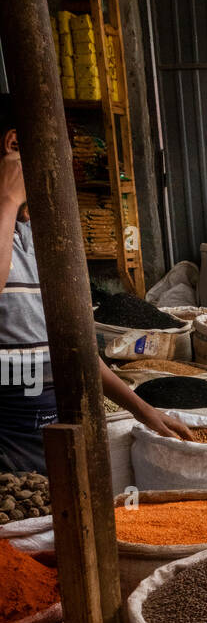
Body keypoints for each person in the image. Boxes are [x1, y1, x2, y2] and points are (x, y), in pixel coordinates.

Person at [0, 97, 191, 473]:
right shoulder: (9, 216)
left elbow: (76, 345)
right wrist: (8, 199)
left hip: (51, 424)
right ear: (14, 147)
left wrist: (142, 409)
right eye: (53, 165)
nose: (58, 180)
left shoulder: (34, 233)